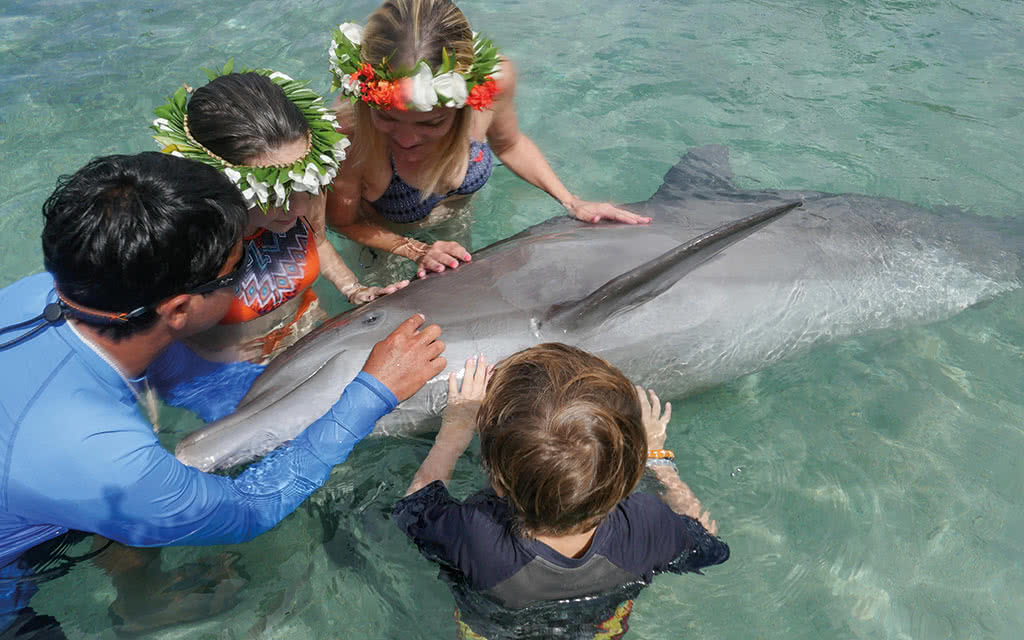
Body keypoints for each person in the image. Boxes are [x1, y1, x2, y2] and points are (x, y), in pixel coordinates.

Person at [0, 152, 446, 636]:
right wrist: (372, 394)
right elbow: (249, 508)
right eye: (237, 273)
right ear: (178, 309)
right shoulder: (110, 461)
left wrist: (338, 360)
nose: (245, 280)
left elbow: (190, 377)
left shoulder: (50, 291)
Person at [393, 346, 728, 639]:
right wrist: (657, 457)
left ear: (497, 482)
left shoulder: (476, 534)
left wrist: (454, 431)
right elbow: (709, 545)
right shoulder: (646, 524)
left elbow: (413, 508)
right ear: (629, 473)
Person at [324, 0, 653, 284]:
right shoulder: (348, 131)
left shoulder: (494, 84)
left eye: (432, 122)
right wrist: (415, 249)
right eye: (388, 119)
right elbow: (343, 222)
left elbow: (509, 145)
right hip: (386, 240)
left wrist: (571, 201)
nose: (408, 139)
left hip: (458, 217)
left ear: (468, 99)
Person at [152, 65, 408, 364]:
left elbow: (320, 244)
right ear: (221, 185)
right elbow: (156, 322)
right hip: (232, 363)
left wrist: (354, 290)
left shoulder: (307, 194)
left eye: (303, 185)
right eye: (274, 195)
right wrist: (210, 353)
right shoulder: (185, 235)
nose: (299, 208)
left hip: (309, 328)